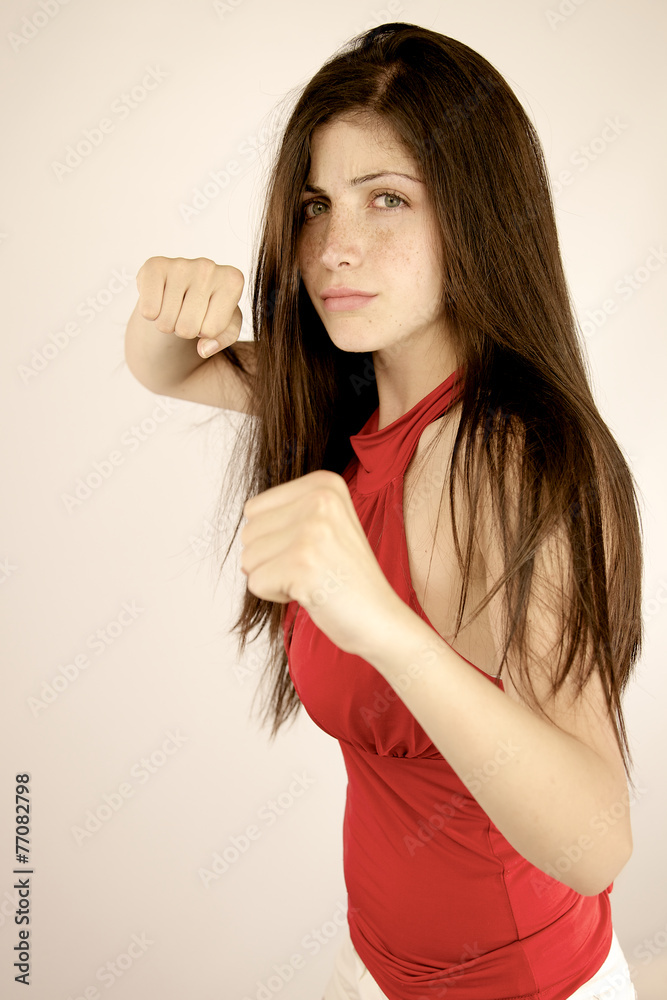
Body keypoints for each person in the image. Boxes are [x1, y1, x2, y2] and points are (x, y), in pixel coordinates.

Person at [123, 21, 642, 1000]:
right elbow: (169, 368)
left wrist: (386, 627)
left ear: (481, 219)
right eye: (316, 204)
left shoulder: (508, 460)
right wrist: (160, 310)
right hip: (373, 964)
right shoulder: (349, 392)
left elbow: (594, 842)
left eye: (387, 200)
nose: (334, 247)